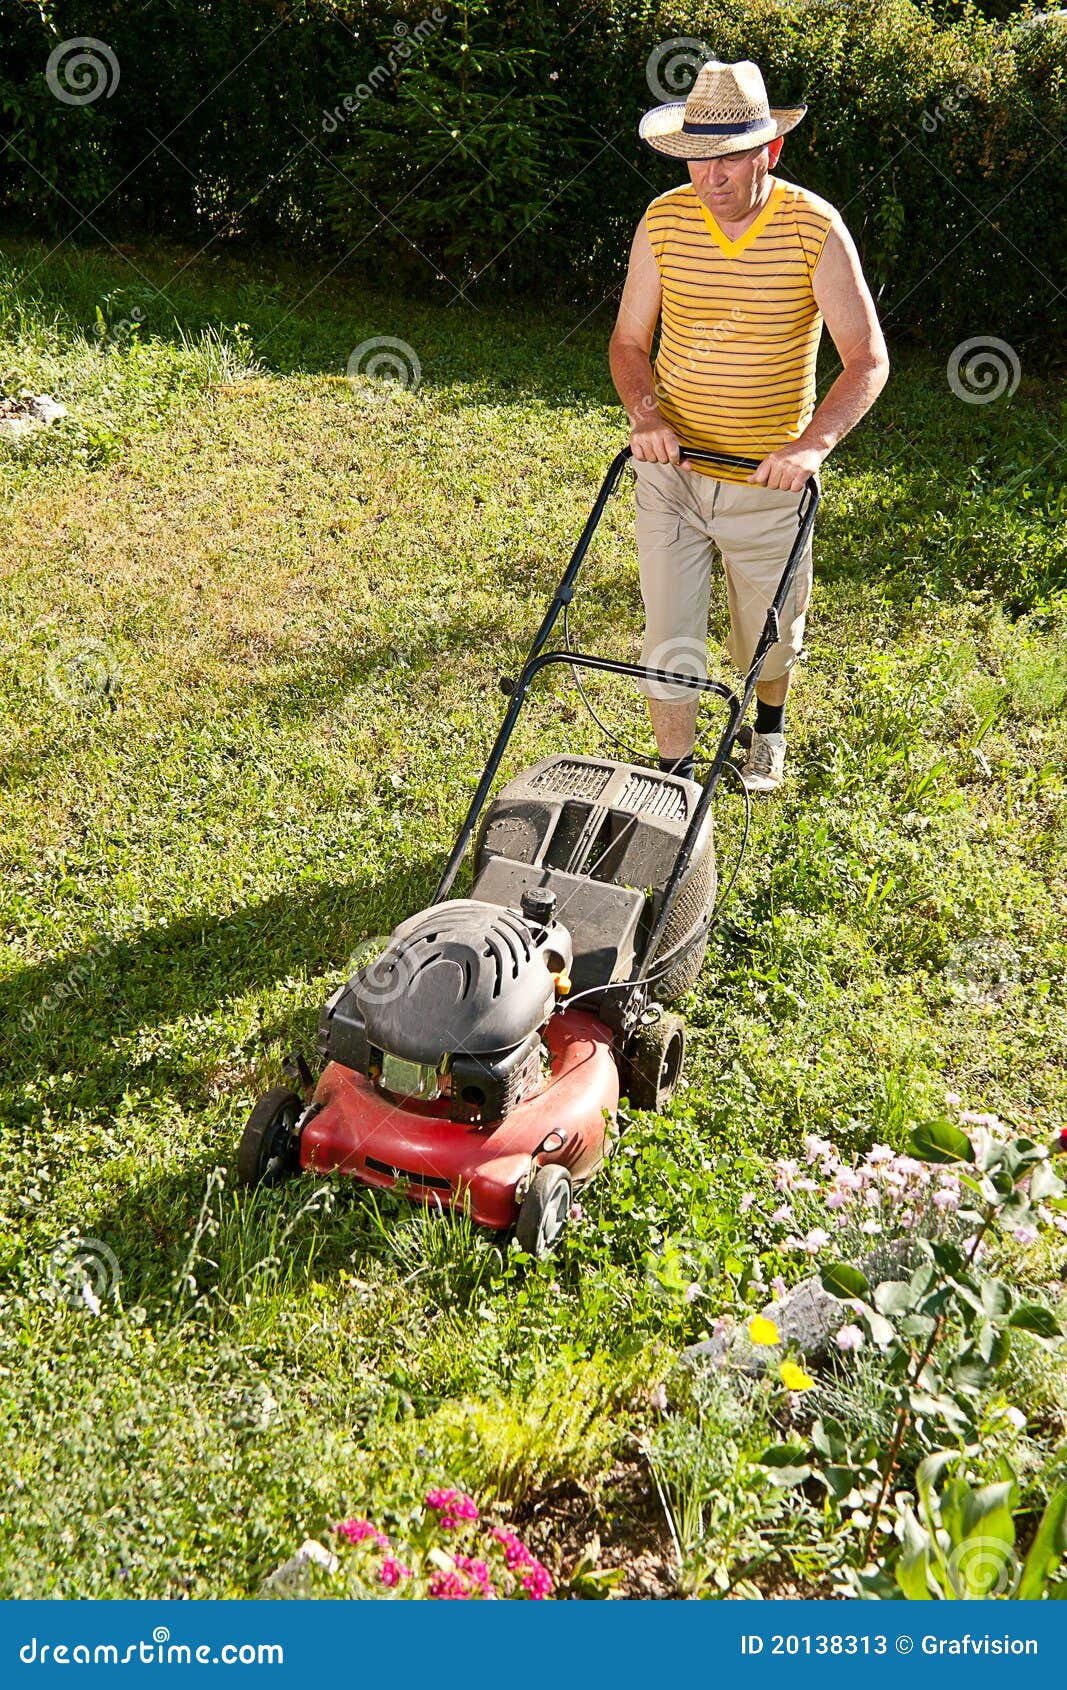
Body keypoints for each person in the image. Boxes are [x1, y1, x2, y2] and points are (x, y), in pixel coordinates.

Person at [610, 59, 889, 792]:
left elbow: (866, 359)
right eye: (698, 156)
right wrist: (646, 417)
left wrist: (809, 446)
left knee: (763, 636)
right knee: (669, 632)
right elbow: (628, 343)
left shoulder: (812, 227)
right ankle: (673, 777)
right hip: (672, 470)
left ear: (769, 151)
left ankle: (767, 729)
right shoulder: (663, 221)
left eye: (730, 155)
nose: (712, 176)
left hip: (765, 478)